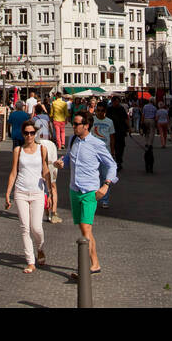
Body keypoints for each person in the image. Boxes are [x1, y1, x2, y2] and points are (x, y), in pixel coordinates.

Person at [54, 109, 117, 277]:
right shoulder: (73, 140)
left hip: (90, 191)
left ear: (86, 126)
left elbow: (112, 165)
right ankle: (93, 263)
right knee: (84, 230)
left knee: (85, 227)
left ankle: (91, 266)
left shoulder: (97, 144)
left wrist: (106, 185)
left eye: (76, 124)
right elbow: (68, 157)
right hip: (74, 189)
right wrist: (62, 162)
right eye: (73, 123)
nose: (72, 126)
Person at [5, 120, 54, 272]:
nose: (29, 136)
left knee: (36, 228)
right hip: (21, 191)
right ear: (22, 134)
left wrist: (50, 191)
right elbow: (14, 172)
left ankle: (40, 247)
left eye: (32, 133)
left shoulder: (42, 149)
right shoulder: (18, 150)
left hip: (38, 192)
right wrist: (8, 193)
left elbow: (45, 170)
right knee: (25, 228)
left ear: (36, 133)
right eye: (26, 133)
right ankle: (30, 261)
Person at [91, 104, 116, 208]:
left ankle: (105, 199)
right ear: (96, 111)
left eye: (102, 111)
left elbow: (112, 137)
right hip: (93, 153)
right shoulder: (92, 120)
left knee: (106, 177)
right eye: (98, 110)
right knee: (94, 176)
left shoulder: (109, 122)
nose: (100, 113)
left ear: (105, 112)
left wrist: (112, 152)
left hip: (106, 152)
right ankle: (94, 198)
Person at [107, 97, 128, 171]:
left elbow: (126, 118)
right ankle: (112, 162)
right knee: (112, 146)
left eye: (118, 102)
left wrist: (128, 128)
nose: (116, 103)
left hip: (121, 130)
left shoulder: (121, 109)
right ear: (112, 102)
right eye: (115, 102)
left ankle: (119, 162)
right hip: (111, 130)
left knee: (120, 147)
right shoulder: (109, 109)